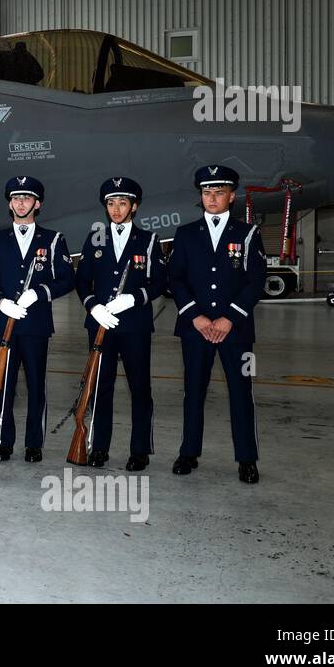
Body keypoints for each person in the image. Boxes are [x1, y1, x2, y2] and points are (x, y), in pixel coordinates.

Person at [167, 165, 266, 484]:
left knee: (241, 392)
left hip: (234, 330)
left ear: (231, 196)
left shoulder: (248, 234)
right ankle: (188, 452)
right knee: (192, 391)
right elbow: (176, 278)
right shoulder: (185, 234)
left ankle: (247, 459)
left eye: (218, 192)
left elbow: (256, 281)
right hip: (195, 329)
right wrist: (195, 316)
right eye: (207, 192)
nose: (212, 198)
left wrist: (229, 318)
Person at [73, 177, 168, 471]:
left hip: (135, 327)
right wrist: (93, 307)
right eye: (111, 203)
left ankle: (140, 450)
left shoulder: (149, 240)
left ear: (134, 206)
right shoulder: (95, 238)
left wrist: (133, 299)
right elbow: (81, 280)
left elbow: (160, 282)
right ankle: (99, 447)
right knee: (101, 388)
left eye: (122, 203)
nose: (116, 209)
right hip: (101, 325)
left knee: (140, 389)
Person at [0, 175, 75, 461]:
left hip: (35, 326)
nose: (21, 203)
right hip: (4, 325)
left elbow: (67, 278)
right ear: (10, 204)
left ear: (38, 204)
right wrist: (0, 302)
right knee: (3, 385)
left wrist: (39, 293)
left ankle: (34, 443)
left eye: (27, 198)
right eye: (16, 198)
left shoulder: (53, 239)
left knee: (36, 387)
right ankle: (3, 440)